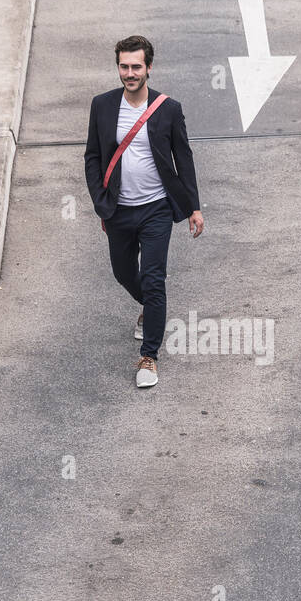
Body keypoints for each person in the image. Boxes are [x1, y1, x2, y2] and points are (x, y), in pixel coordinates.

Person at [84, 35, 203, 388]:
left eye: (137, 67)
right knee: (123, 273)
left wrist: (194, 207)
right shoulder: (102, 106)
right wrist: (98, 198)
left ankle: (148, 357)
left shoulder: (168, 109)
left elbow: (184, 159)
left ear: (149, 67)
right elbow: (92, 156)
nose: (130, 73)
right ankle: (151, 310)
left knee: (153, 279)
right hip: (118, 210)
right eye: (124, 66)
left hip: (156, 210)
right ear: (118, 66)